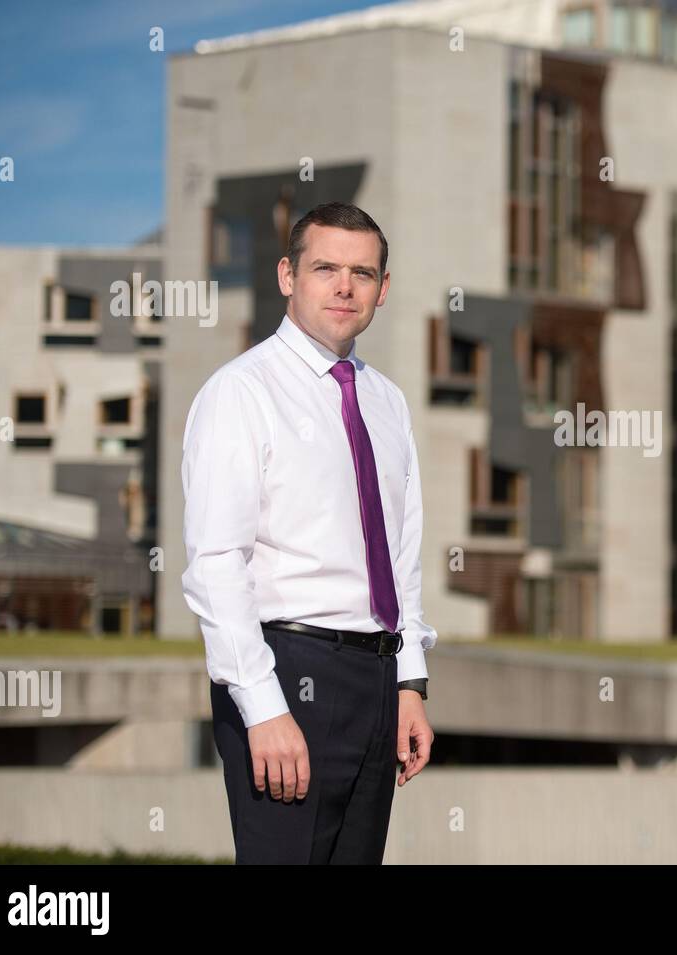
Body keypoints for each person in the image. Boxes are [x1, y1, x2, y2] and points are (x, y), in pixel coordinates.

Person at [181, 201, 436, 864]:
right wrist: (262, 706)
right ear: (288, 276)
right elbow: (216, 564)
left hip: (377, 680)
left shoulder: (386, 400)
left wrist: (410, 682)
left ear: (384, 288)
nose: (345, 286)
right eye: (326, 268)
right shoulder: (240, 392)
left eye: (363, 272)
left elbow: (400, 555)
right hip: (286, 670)